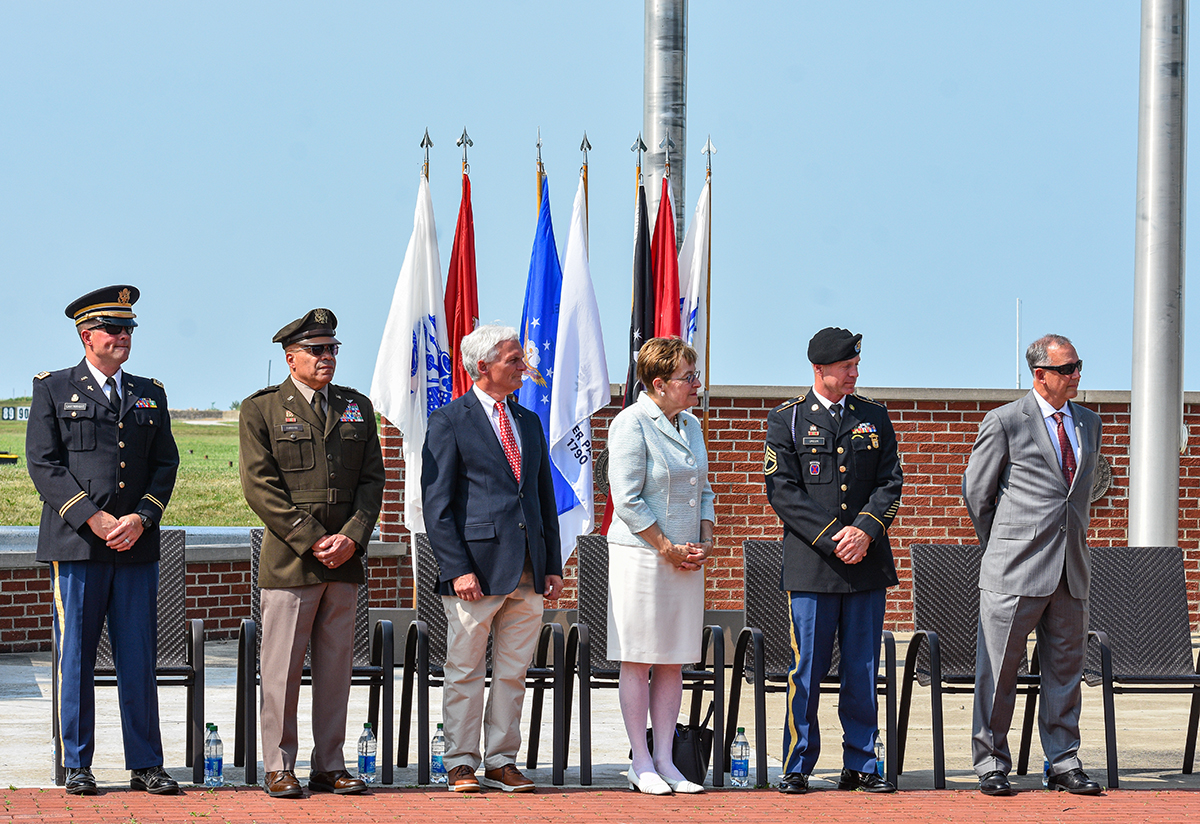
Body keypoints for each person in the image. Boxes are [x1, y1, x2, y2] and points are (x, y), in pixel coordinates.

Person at [26, 285, 180, 796]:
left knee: (138, 655)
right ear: (86, 335)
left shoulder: (150, 392)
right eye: (114, 330)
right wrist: (91, 518)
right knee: (77, 657)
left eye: (129, 329)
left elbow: (165, 464)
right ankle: (77, 763)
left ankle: (147, 763)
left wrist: (141, 518)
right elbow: (44, 465)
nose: (123, 337)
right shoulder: (53, 388)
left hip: (135, 546)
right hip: (77, 547)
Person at [238, 308, 385, 799]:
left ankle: (330, 764)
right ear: (291, 357)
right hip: (292, 562)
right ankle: (279, 766)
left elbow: (371, 481)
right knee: (280, 670)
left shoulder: (357, 407)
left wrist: (353, 535)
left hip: (344, 561)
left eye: (333, 349)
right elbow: (260, 487)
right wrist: (311, 538)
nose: (327, 358)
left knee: (335, 669)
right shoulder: (260, 409)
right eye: (317, 350)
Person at [420, 324, 564, 793]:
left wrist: (552, 565)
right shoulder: (449, 421)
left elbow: (544, 499)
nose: (524, 367)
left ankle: (502, 759)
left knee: (513, 673)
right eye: (514, 360)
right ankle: (460, 762)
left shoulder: (528, 421)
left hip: (527, 569)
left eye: (521, 359)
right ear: (484, 366)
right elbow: (437, 506)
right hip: (475, 573)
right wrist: (456, 568)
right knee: (465, 671)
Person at [763, 327, 902, 795]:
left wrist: (865, 530)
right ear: (819, 369)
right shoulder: (788, 420)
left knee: (862, 669)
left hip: (866, 562)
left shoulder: (875, 416)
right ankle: (798, 763)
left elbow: (890, 482)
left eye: (856, 366)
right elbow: (782, 490)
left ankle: (861, 763)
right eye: (847, 368)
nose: (854, 374)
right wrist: (832, 538)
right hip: (813, 566)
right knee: (808, 670)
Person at [963, 334, 1103, 796]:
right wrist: (1004, 544)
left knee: (1066, 670)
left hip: (1070, 569)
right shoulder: (1005, 421)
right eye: (1068, 368)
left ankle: (1062, 761)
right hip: (1014, 568)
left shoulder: (1089, 422)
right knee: (999, 669)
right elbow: (977, 494)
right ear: (1040, 374)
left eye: (1079, 366)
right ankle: (991, 764)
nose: (1077, 375)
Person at [606, 337, 715, 795]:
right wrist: (665, 545)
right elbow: (626, 498)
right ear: (658, 384)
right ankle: (641, 761)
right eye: (687, 378)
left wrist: (706, 539)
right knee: (639, 657)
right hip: (643, 557)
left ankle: (668, 761)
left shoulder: (690, 424)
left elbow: (705, 489)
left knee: (673, 659)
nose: (696, 384)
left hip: (685, 559)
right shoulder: (631, 423)